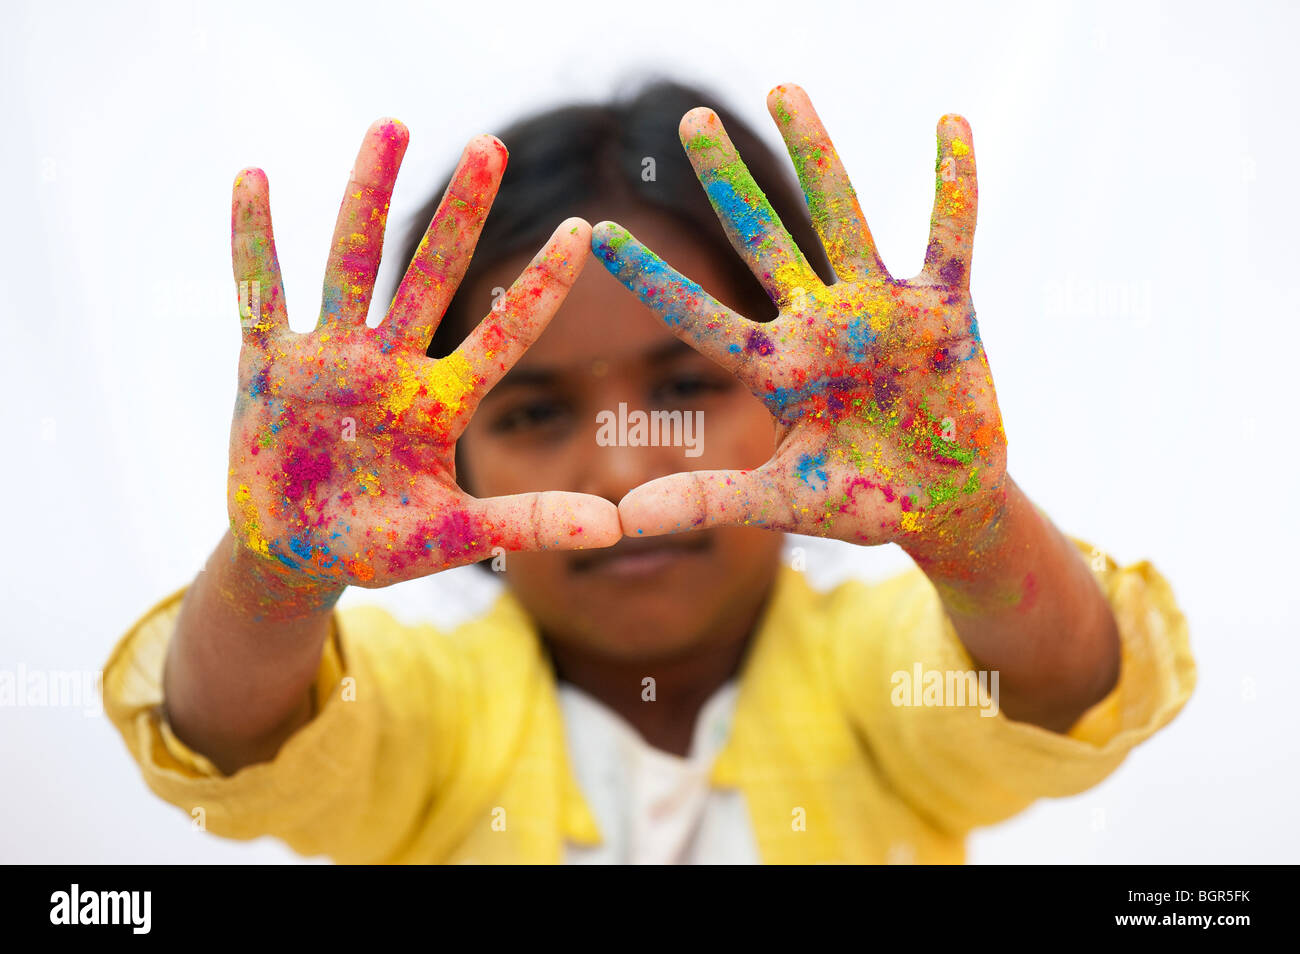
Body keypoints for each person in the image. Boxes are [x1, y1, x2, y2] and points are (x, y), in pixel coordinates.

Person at [102, 79, 1196, 864]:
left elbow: (1063, 690)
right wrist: (275, 575)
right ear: (442, 452)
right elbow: (231, 742)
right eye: (531, 409)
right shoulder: (433, 716)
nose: (625, 461)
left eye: (684, 390)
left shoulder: (873, 680)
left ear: (810, 400)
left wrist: (970, 528)